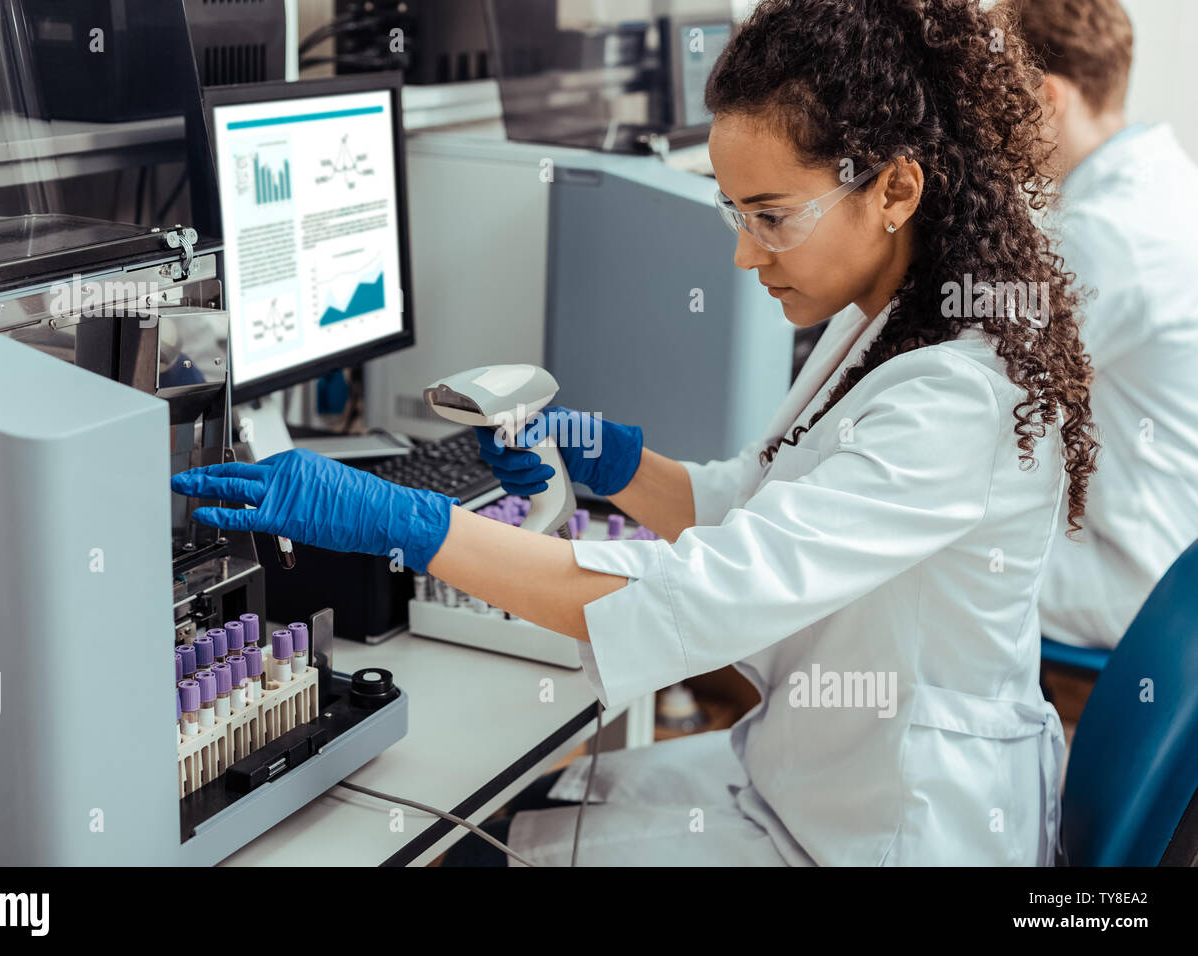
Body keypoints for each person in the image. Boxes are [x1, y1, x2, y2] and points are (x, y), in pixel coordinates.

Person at [171, 0, 1100, 866]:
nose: (743, 254)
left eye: (771, 217)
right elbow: (764, 504)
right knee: (518, 817)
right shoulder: (891, 314)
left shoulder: (958, 397)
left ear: (895, 187)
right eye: (736, 214)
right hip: (810, 777)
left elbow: (703, 594)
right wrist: (612, 460)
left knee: (484, 843)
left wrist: (407, 523)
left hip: (896, 826)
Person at [1015, 0, 1198, 649]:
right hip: (1177, 549)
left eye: (995, 100)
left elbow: (992, 384)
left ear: (1048, 97)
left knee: (930, 565)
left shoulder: (1111, 235)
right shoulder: (1169, 184)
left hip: (1142, 579)